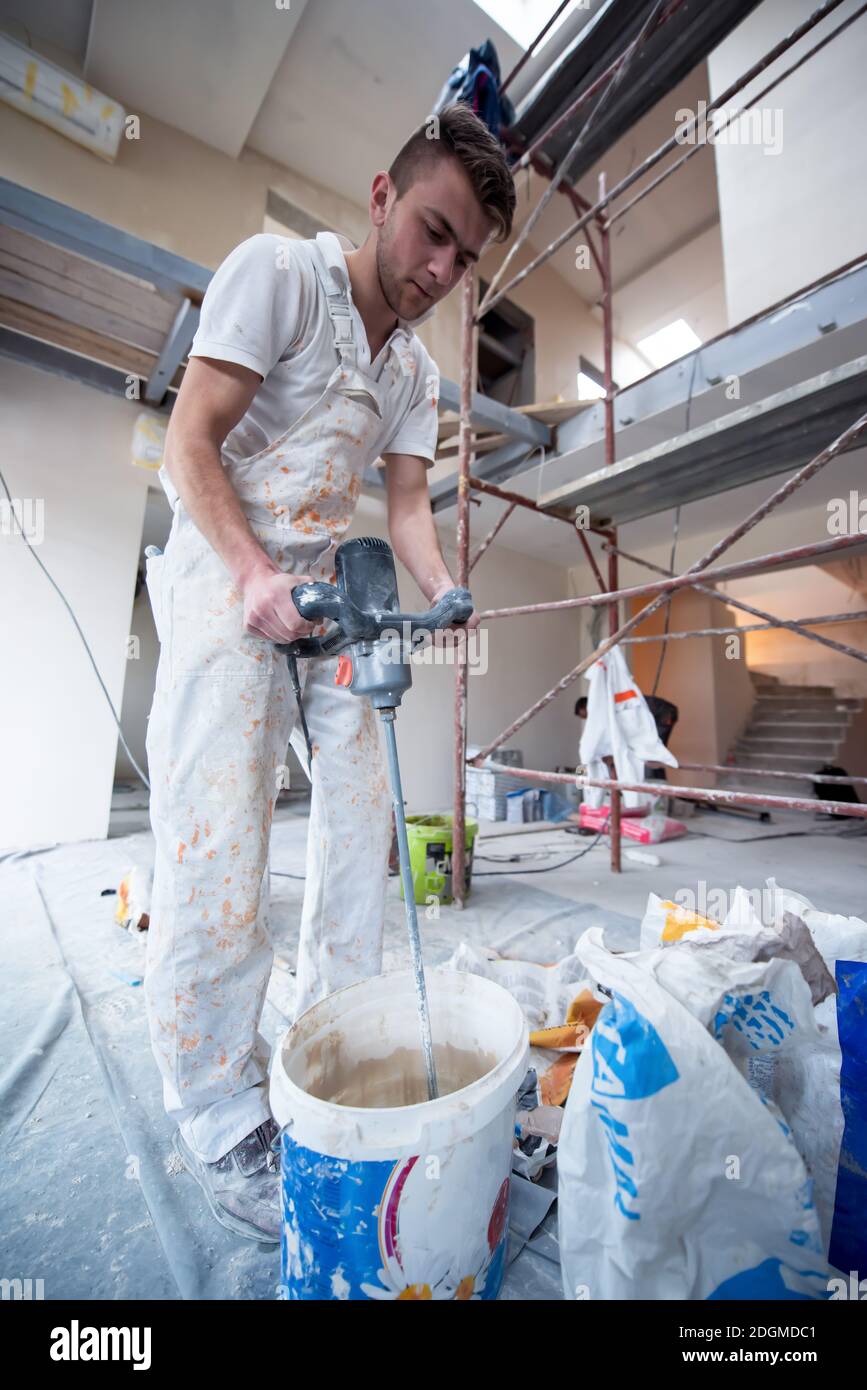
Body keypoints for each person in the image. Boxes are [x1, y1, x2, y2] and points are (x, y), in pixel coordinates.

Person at [143, 105, 516, 1243]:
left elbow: (404, 506)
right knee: (223, 842)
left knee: (366, 819)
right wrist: (252, 574)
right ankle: (218, 1110)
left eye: (464, 257)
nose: (442, 269)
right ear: (379, 200)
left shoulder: (412, 377)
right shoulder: (280, 279)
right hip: (229, 570)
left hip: (330, 590)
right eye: (433, 232)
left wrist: (440, 586)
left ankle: (337, 1046)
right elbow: (187, 442)